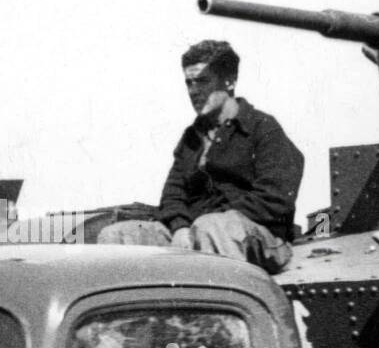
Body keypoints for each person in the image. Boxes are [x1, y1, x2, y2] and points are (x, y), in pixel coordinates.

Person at [99, 40, 304, 272]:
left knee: (212, 228)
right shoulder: (192, 137)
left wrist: (203, 222)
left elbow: (275, 199)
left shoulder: (262, 128)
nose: (194, 90)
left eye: (203, 81)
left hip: (260, 238)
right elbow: (172, 194)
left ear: (229, 81)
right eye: (189, 83)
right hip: (198, 232)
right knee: (116, 236)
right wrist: (180, 227)